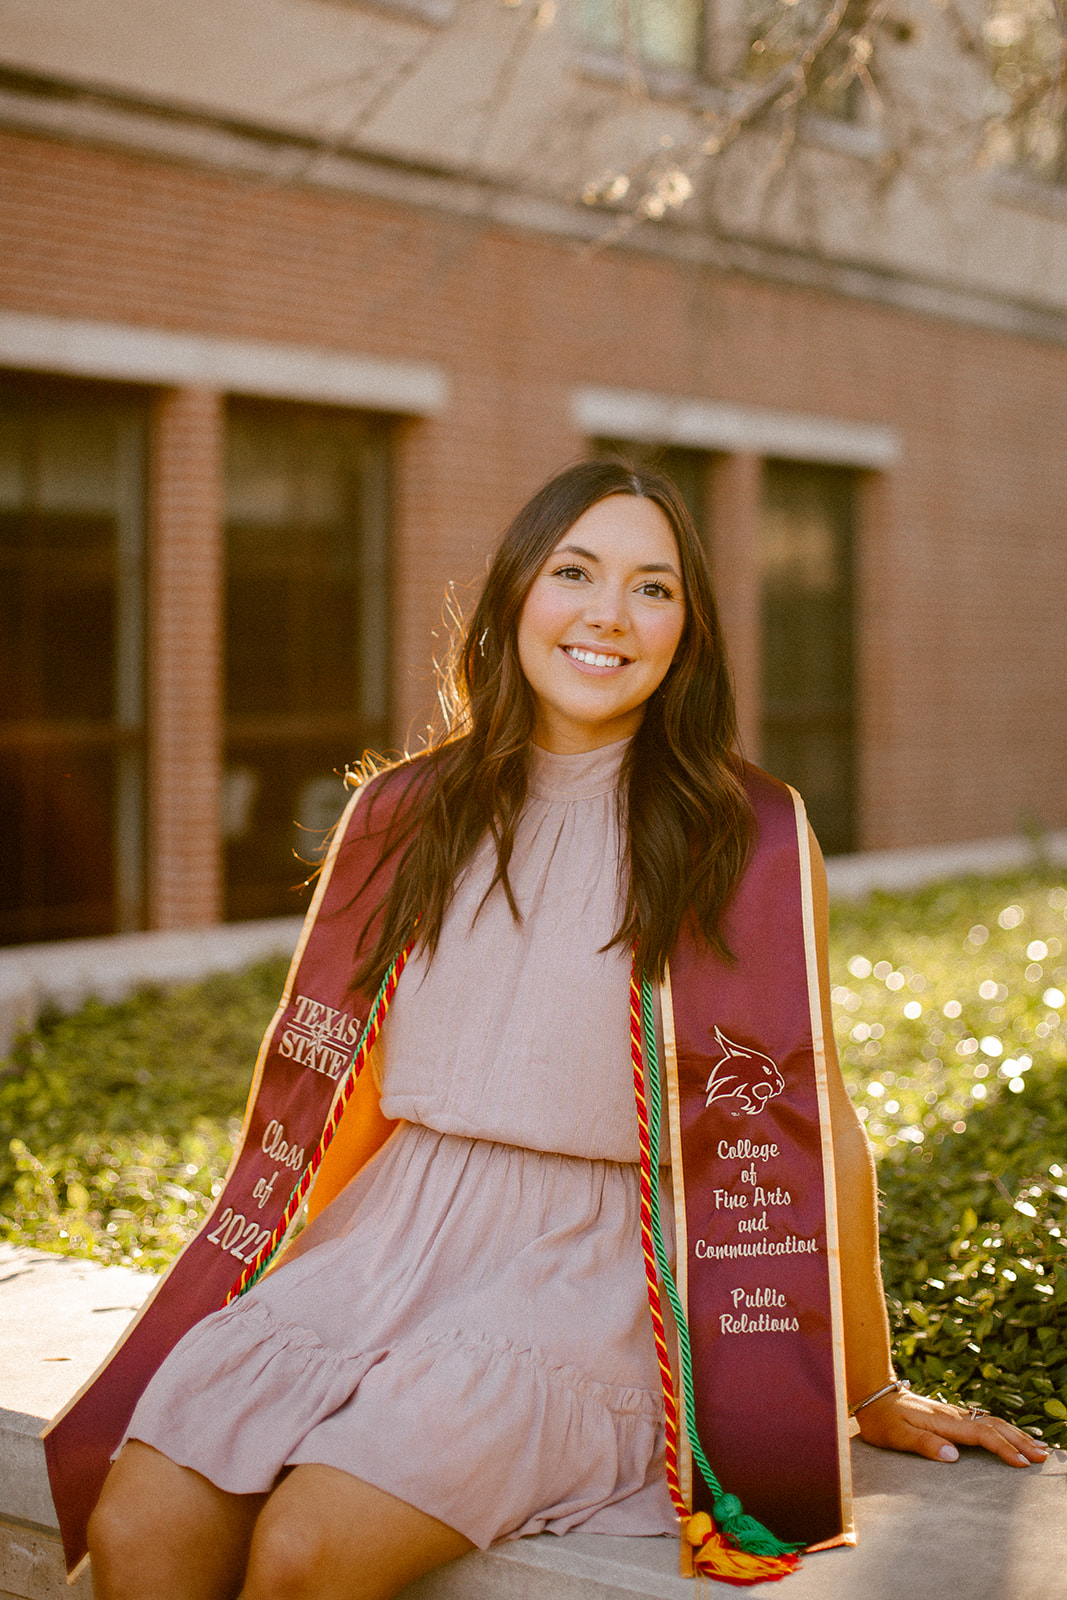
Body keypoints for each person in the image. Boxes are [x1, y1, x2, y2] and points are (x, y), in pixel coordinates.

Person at [87, 460, 1047, 1600]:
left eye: (652, 588)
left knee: (307, 1550)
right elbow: (336, 1095)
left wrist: (865, 1384)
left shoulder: (735, 837)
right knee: (138, 1526)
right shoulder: (403, 814)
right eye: (574, 572)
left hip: (589, 1272)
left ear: (686, 631)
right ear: (511, 599)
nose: (606, 612)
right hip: (388, 1242)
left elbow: (800, 1116)